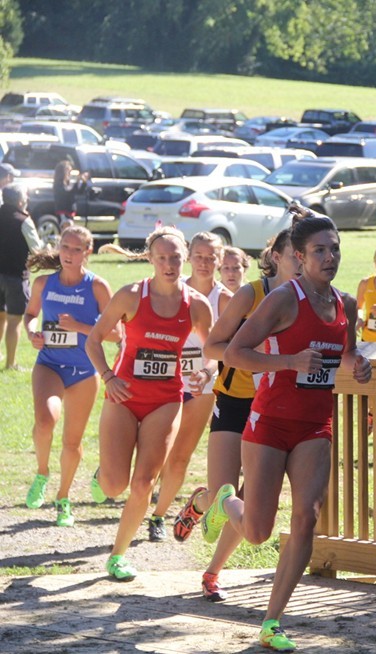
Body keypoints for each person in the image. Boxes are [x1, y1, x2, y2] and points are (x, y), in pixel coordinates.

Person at [200, 216, 372, 652]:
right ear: (300, 256)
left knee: (307, 516)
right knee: (257, 531)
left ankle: (272, 622)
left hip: (316, 424)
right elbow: (236, 352)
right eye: (320, 250)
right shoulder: (283, 299)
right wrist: (289, 362)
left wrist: (359, 364)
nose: (329, 257)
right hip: (270, 423)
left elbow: (344, 352)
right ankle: (225, 500)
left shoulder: (345, 304)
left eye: (334, 248)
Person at [172, 228, 300, 603]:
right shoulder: (251, 294)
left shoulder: (306, 299)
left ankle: (213, 572)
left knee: (251, 499)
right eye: (297, 254)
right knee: (221, 497)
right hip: (234, 400)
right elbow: (217, 345)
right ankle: (199, 504)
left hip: (274, 405)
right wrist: (247, 352)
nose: (303, 261)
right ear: (277, 256)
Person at [85, 226, 213, 581]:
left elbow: (213, 350)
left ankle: (117, 555)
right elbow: (93, 341)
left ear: (183, 258)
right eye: (162, 258)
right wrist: (109, 377)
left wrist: (207, 371)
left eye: (175, 258)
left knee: (143, 483)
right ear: (151, 259)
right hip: (123, 396)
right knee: (114, 486)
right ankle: (104, 475)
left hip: (166, 401)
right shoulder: (130, 296)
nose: (169, 265)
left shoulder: (197, 305)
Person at [22, 226, 115, 526]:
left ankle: (63, 498)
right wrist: (31, 331)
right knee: (45, 419)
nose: (69, 254)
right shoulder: (43, 283)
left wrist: (81, 327)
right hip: (50, 363)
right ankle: (42, 472)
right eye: (65, 247)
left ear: (87, 252)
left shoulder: (98, 287)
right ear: (58, 248)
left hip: (85, 371)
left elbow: (116, 333)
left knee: (72, 443)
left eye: (77, 249)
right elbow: (30, 314)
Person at [145, 232, 232, 541]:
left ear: (220, 260)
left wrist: (208, 372)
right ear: (189, 257)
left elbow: (224, 350)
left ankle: (158, 516)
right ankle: (144, 489)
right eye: (200, 256)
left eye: (212, 257)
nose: (205, 263)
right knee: (156, 452)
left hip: (201, 385)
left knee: (180, 455)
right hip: (161, 380)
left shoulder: (225, 300)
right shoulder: (170, 289)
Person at [0, 185, 42, 369]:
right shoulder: (24, 220)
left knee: (0, 316)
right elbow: (37, 250)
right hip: (16, 277)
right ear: (20, 200)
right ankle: (10, 363)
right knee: (14, 320)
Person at [53, 160, 90, 228]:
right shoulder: (58, 184)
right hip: (63, 212)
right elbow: (67, 192)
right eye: (68, 171)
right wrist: (76, 181)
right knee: (66, 231)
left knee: (69, 230)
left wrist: (83, 182)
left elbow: (78, 192)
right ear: (63, 172)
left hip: (70, 212)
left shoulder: (67, 183)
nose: (69, 174)